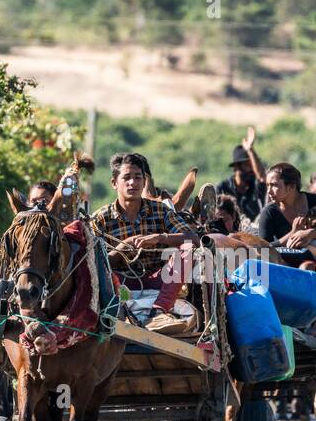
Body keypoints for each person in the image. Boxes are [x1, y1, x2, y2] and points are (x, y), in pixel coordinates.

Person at [91, 152, 197, 310]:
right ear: (114, 183)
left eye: (138, 177)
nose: (132, 182)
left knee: (188, 249)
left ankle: (161, 307)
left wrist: (159, 238)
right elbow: (94, 263)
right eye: (126, 177)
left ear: (144, 181)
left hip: (160, 278)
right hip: (121, 282)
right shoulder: (100, 219)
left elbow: (193, 238)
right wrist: (123, 247)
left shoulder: (160, 210)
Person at [257, 162, 316, 268]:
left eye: (274, 185)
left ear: (291, 187)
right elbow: (263, 249)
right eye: (267, 185)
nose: (269, 191)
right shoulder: (269, 213)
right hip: (283, 266)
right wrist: (292, 233)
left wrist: (313, 233)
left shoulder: (315, 201)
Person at [215, 126, 267, 222]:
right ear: (236, 168)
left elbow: (262, 177)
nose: (252, 169)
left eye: (253, 165)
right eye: (248, 165)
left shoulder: (255, 185)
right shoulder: (222, 188)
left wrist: (250, 149)